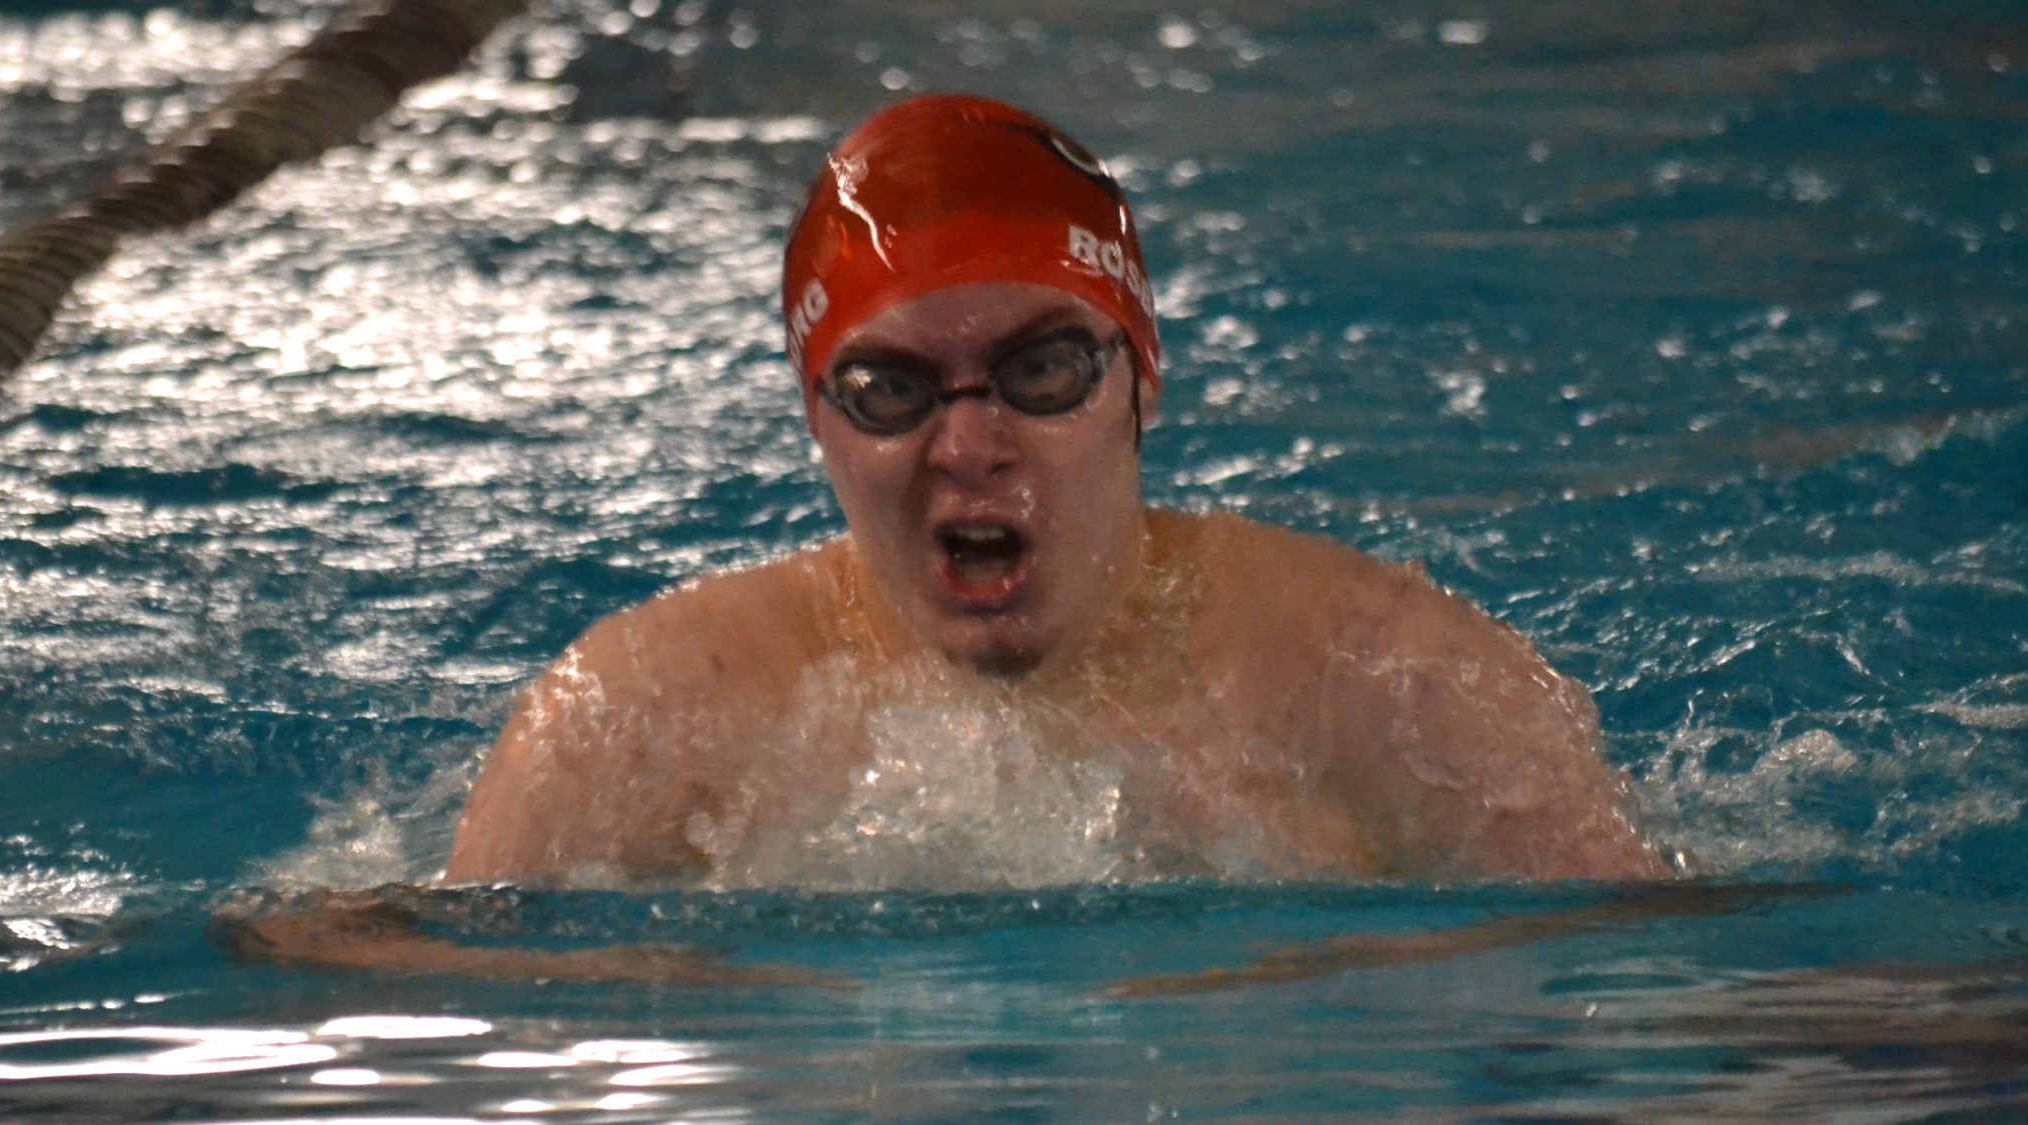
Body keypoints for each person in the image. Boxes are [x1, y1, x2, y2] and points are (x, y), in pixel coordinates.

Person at [444, 93, 1673, 889]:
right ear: (814, 416)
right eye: (890, 390)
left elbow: (1673, 992)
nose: (969, 443)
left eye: (1039, 371)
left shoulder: (1387, 685)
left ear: (1141, 380)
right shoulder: (634, 725)